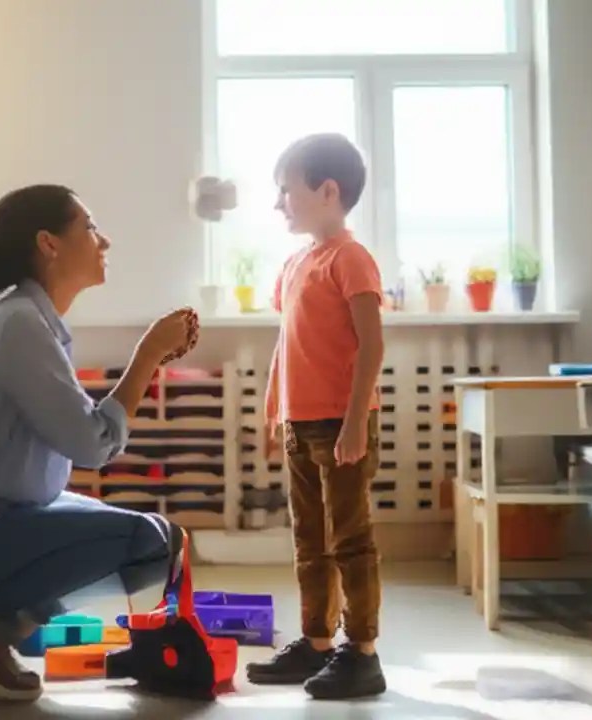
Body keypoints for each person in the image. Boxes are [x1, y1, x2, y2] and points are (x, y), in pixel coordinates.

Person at [0, 184, 195, 703]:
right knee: (149, 543)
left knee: (151, 547)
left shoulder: (25, 320)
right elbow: (93, 447)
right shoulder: (20, 326)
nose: (105, 241)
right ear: (49, 244)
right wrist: (148, 356)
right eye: (90, 227)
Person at [244, 133, 388, 699]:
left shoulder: (351, 259)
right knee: (309, 539)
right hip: (299, 424)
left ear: (327, 192)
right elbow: (287, 343)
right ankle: (317, 641)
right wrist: (271, 409)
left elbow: (371, 346)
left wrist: (356, 422)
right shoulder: (297, 261)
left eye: (286, 191)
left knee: (349, 538)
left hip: (339, 424)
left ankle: (363, 653)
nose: (279, 203)